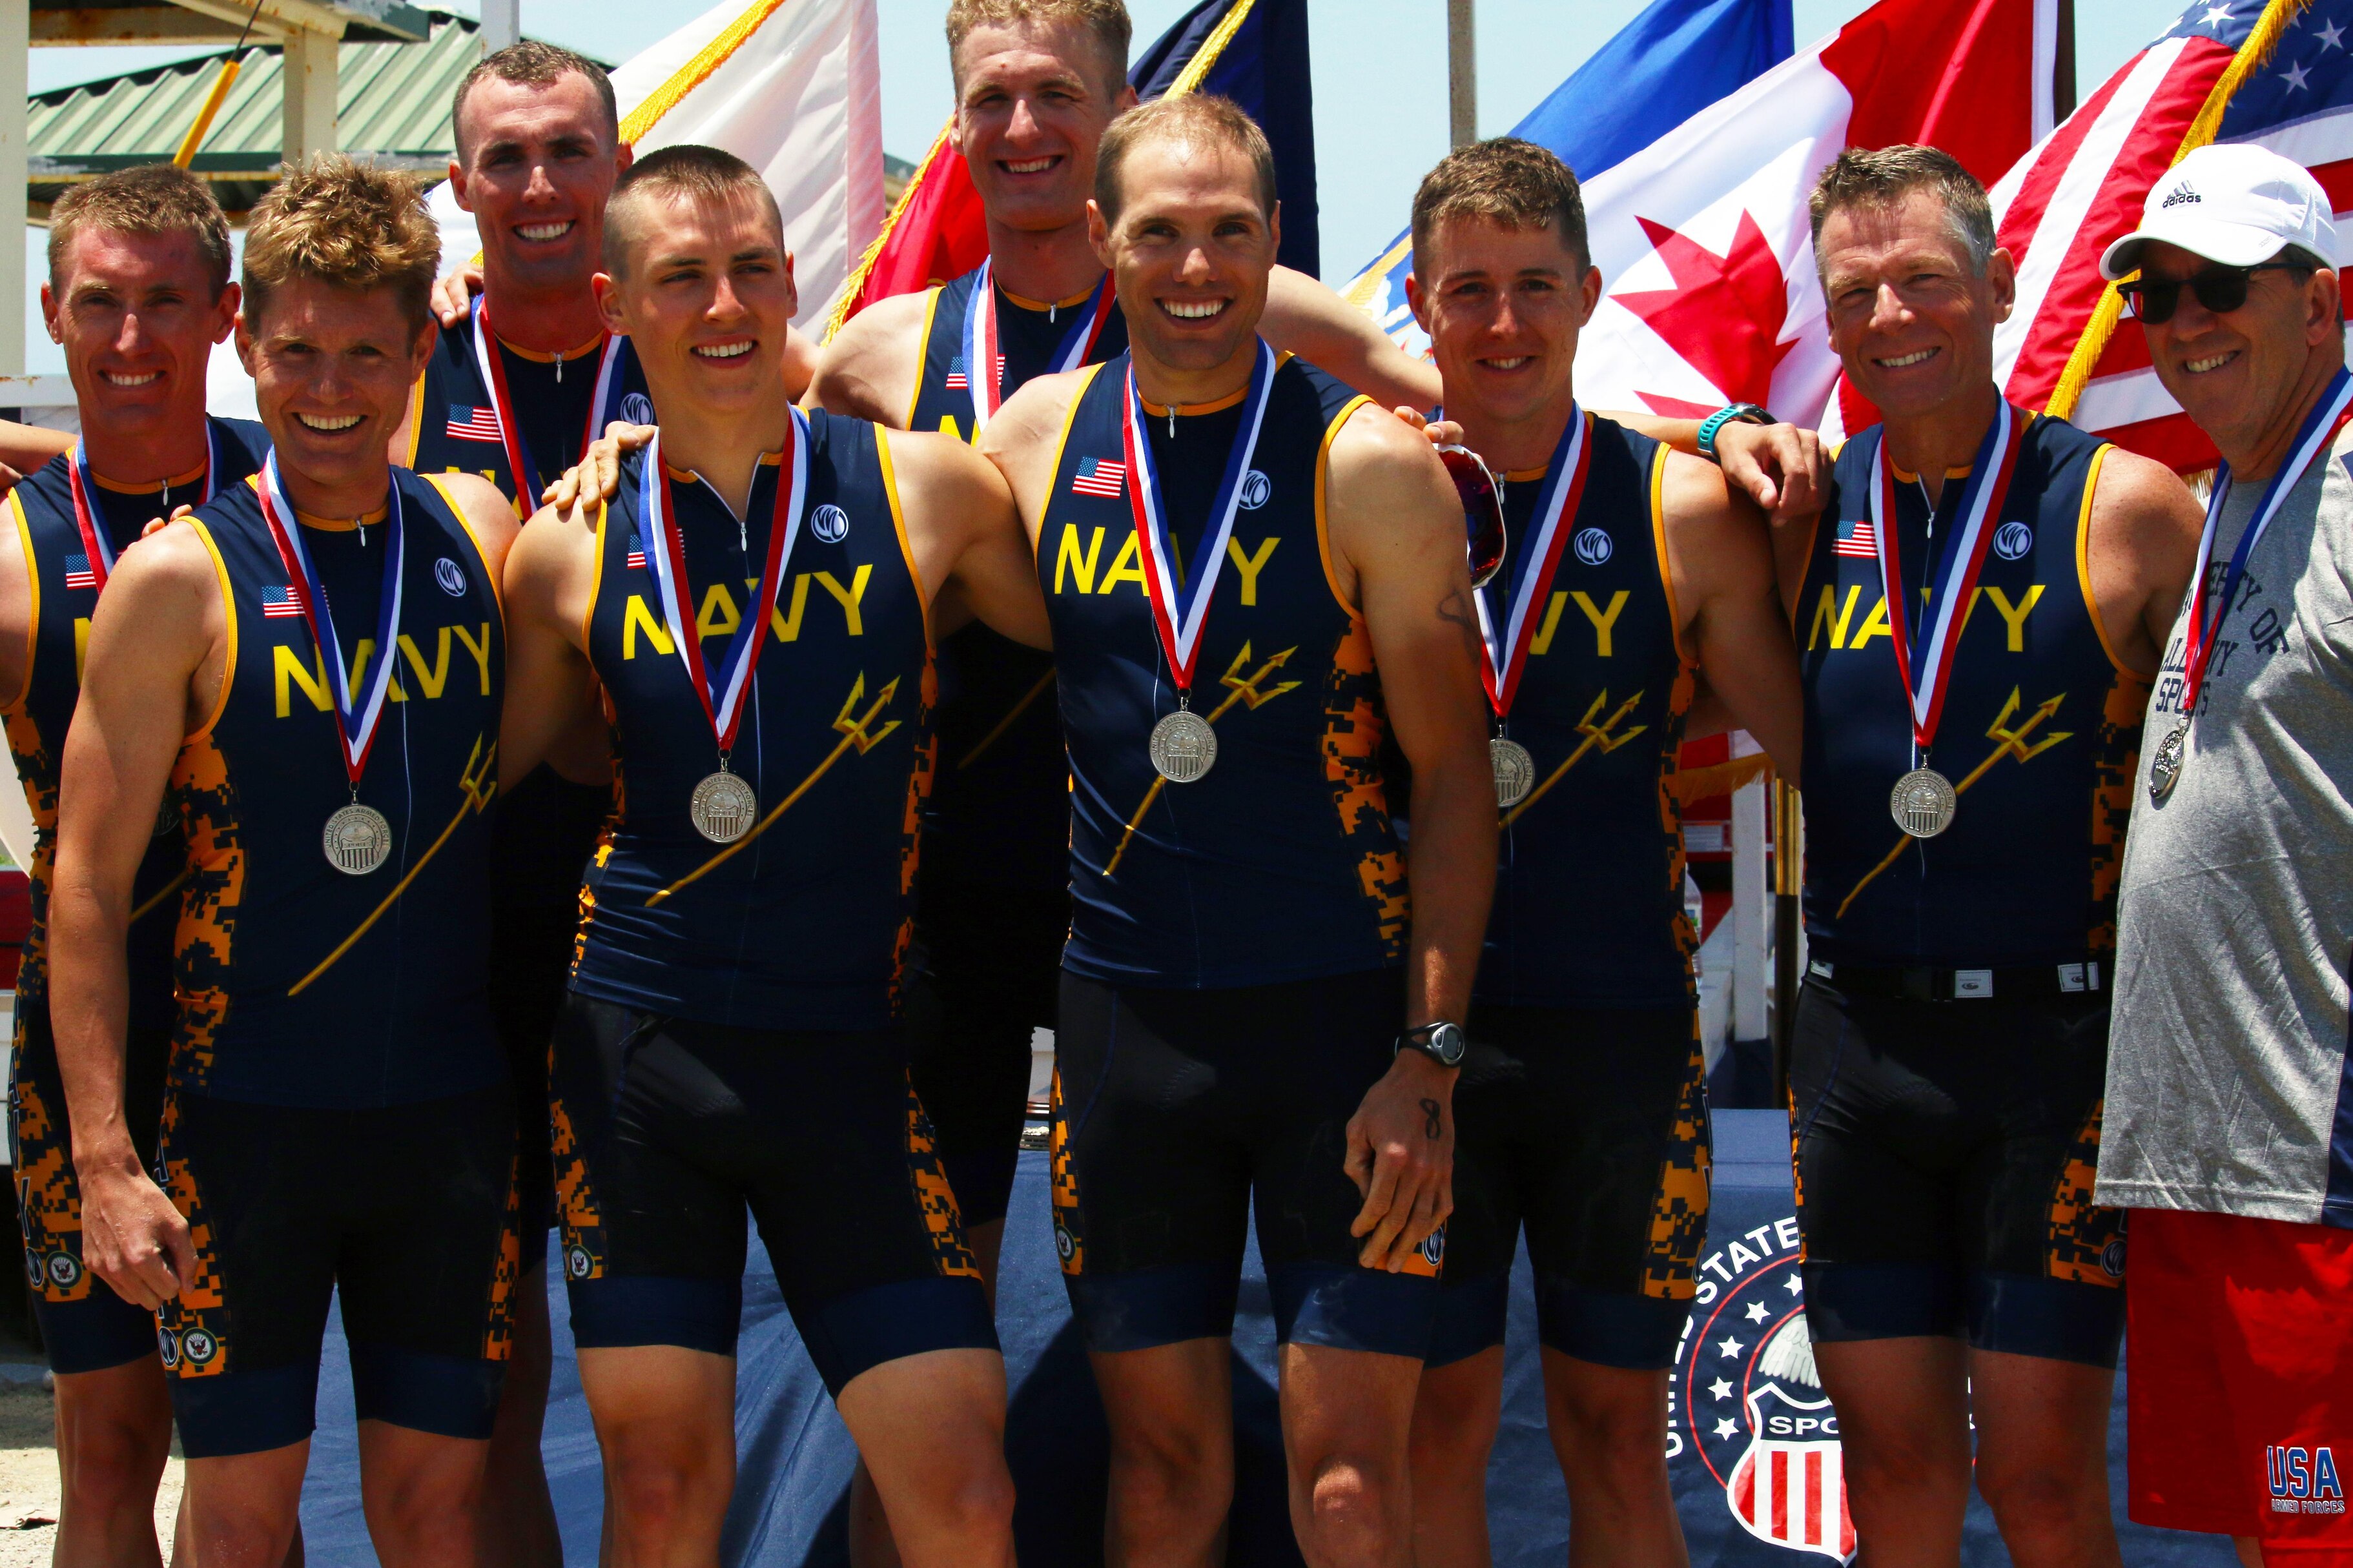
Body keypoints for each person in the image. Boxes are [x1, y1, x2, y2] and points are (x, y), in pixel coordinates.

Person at [498, 145, 1043, 1568]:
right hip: (638, 1052)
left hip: (848, 1052)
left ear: (794, 281)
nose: (724, 304)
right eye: (682, 277)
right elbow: (523, 769)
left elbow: (1124, 641)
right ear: (619, 305)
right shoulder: (566, 546)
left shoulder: (936, 492)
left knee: (965, 1492)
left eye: (751, 268)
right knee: (666, 1495)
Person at [974, 94, 1493, 1567]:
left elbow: (1455, 775)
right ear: (1096, 241)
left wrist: (1428, 1060)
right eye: (1157, 233)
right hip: (1127, 1038)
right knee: (1164, 1476)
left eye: (1229, 235)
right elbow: (812, 462)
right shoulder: (1030, 440)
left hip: (1339, 1032)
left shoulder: (1368, 466)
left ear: (1277, 245)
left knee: (1344, 1494)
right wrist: (626, 449)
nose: (1193, 269)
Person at [46, 156, 520, 1567]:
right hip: (244, 1121)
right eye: (297, 351)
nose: (328, 390)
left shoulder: (478, 532)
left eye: (366, 354)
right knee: (245, 1528)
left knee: (438, 1514)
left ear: (419, 354)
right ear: (243, 344)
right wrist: (105, 1158)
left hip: (444, 1118)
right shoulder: (178, 579)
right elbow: (82, 882)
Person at [1776, 145, 2203, 1568]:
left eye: (1924, 281)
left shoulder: (2130, 507)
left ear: (2002, 287)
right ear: (1825, 319)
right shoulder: (1794, 515)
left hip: (2059, 1056)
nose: (1892, 317)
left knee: (2037, 1480)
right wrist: (1725, 421)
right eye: (1857, 292)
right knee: (1889, 1476)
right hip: (1857, 1055)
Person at [1395, 137, 1802, 1568]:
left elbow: (1815, 737)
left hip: (1619, 1037)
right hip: (1417, 1044)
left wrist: (1782, 496)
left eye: (1530, 288)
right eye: (1467, 292)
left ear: (1585, 295)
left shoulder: (1678, 507)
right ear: (1420, 303)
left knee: (1615, 1439)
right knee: (1429, 1437)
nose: (1500, 325)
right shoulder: (1365, 496)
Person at [1, 163, 276, 1568]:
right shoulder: (11, 555)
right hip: (89, 1067)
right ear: (50, 314)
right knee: (108, 1448)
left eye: (165, 304)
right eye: (97, 304)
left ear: (227, 315)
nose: (128, 341)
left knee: (262, 1469)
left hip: (290, 1048)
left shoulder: (306, 487)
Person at [2092, 143, 2353, 1568]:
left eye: (2224, 287)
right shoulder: (2239, 486)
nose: (2185, 320)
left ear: (2320, 305)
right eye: (2159, 292)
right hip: (2217, 1147)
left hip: (2318, 1149)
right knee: (2276, 1542)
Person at [399, 41, 642, 1561]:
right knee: (489, 1371)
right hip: (459, 923)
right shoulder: (396, 368)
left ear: (618, 166)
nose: (540, 186)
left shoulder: (724, 338)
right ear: (460, 186)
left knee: (657, 1369)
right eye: (506, 157)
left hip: (664, 912)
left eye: (568, 151)